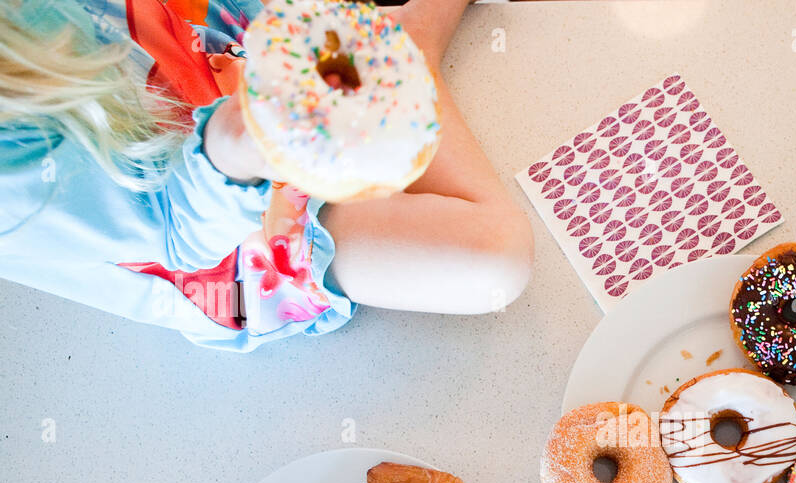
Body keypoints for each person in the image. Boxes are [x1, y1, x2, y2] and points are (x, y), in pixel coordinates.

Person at [0, 0, 533, 350]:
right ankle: (409, 48)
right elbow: (172, 232)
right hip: (218, 219)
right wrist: (238, 144)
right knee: (494, 259)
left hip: (207, 31)